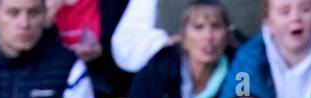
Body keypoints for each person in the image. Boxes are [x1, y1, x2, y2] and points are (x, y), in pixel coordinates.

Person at [111, 0, 260, 74]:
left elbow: (244, 95)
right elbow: (125, 45)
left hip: (239, 75)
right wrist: (165, 44)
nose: (207, 36)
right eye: (199, 28)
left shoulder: (243, 72)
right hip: (172, 90)